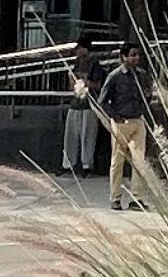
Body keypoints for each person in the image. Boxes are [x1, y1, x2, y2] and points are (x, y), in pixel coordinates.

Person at [97, 41, 153, 209]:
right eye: (133, 54)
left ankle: (137, 198)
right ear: (123, 57)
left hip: (138, 121)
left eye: (138, 54)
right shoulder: (114, 76)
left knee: (139, 161)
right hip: (121, 123)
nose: (136, 58)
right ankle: (115, 197)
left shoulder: (142, 75)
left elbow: (148, 95)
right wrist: (115, 117)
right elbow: (102, 101)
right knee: (118, 161)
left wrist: (143, 107)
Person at [61, 39, 98, 177]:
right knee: (71, 136)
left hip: (89, 105)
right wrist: (73, 82)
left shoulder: (95, 65)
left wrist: (84, 82)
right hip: (75, 104)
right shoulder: (75, 64)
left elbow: (98, 84)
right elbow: (71, 86)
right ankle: (68, 164)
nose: (77, 51)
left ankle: (87, 165)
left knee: (87, 136)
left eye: (80, 48)